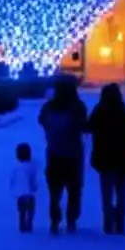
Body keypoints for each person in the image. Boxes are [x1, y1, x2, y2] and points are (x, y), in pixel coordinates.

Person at [87, 83, 125, 235]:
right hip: (123, 159)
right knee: (121, 192)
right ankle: (120, 222)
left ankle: (108, 222)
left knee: (107, 193)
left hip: (104, 159)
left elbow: (89, 127)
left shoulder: (99, 112)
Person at [38, 77, 88, 234]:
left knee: (55, 189)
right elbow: (84, 125)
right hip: (73, 152)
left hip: (54, 151)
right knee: (74, 189)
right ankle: (72, 218)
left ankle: (54, 219)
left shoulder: (49, 107)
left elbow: (42, 120)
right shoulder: (78, 107)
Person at [9, 142, 39, 233]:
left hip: (20, 194)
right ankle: (29, 224)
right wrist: (34, 188)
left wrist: (13, 189)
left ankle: (22, 225)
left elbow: (12, 180)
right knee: (30, 210)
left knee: (21, 211)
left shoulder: (15, 167)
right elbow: (33, 179)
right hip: (29, 193)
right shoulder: (31, 166)